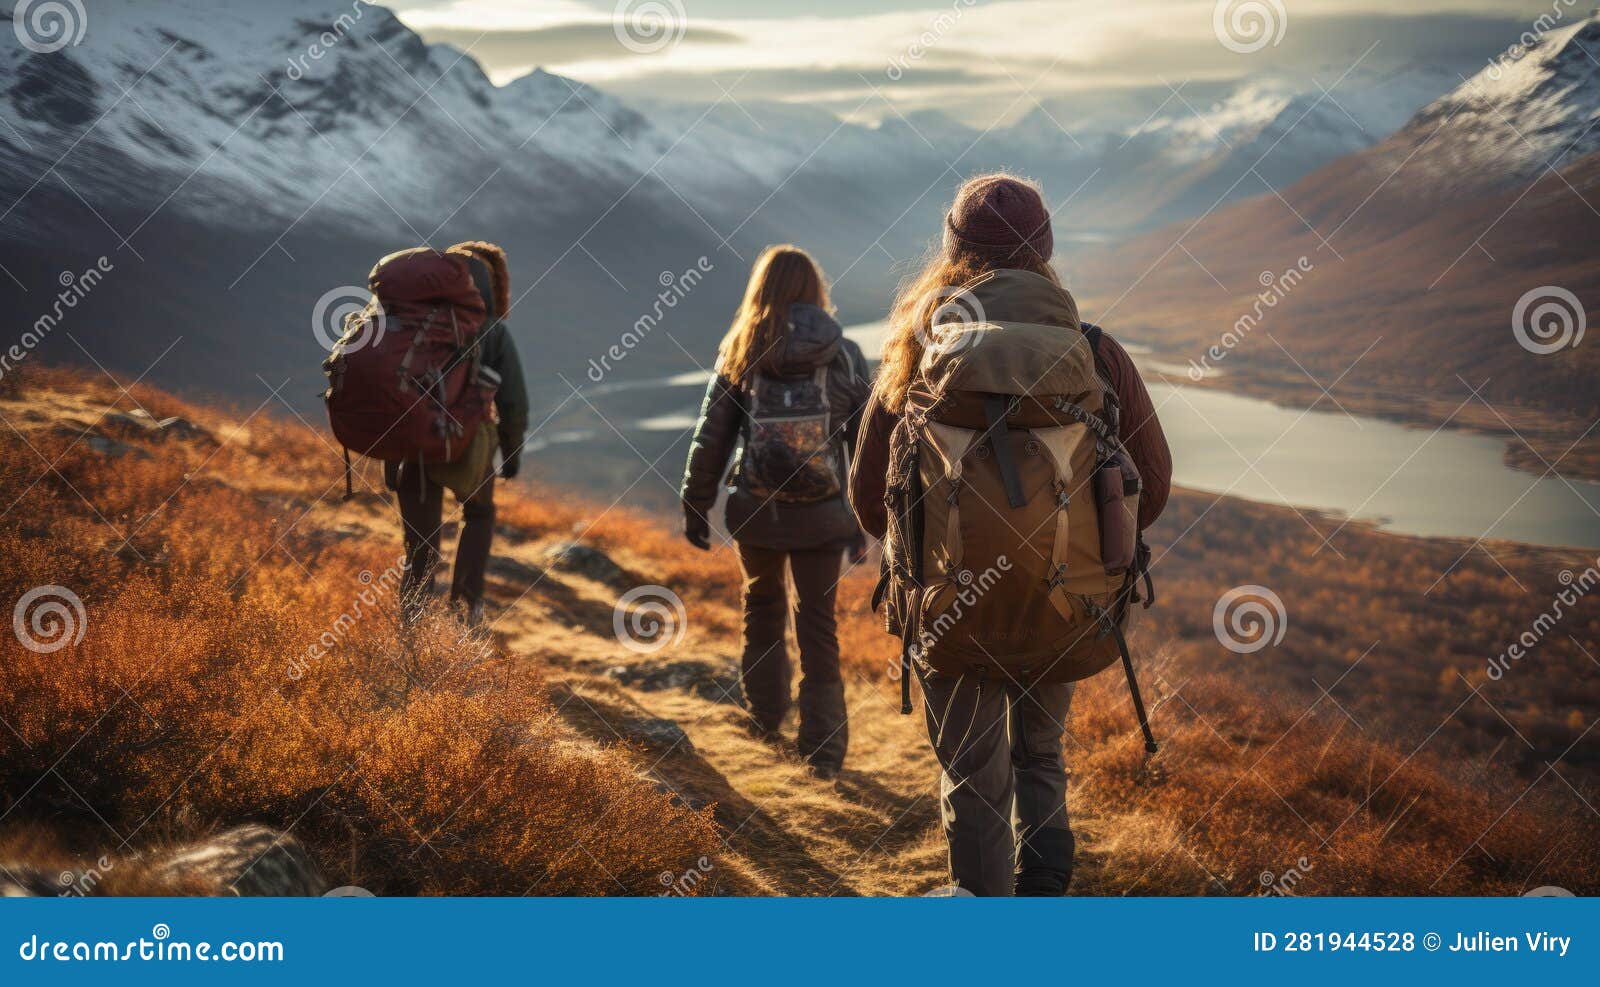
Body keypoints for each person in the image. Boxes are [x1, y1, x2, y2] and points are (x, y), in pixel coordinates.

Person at [849, 174, 1172, 895]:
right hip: (1065, 602)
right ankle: (1043, 900)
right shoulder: (1091, 349)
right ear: (1046, 250)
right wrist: (1073, 539)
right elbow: (1151, 483)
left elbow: (869, 500)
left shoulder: (915, 350)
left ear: (953, 250)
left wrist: (935, 546)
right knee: (1041, 752)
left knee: (972, 773)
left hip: (946, 606)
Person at [680, 245, 871, 780]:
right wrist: (866, 519)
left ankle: (764, 722)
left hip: (757, 512)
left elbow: (711, 436)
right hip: (823, 515)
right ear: (816, 289)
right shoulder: (846, 352)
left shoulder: (741, 347)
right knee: (818, 625)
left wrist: (697, 503)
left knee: (760, 609)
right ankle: (824, 754)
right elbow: (869, 445)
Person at [387, 240, 529, 628]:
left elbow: (389, 390)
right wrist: (511, 456)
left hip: (411, 446)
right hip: (468, 444)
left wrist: (390, 458)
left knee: (421, 546)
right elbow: (514, 403)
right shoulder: (493, 331)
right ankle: (466, 613)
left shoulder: (404, 322)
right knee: (479, 513)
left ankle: (411, 628)